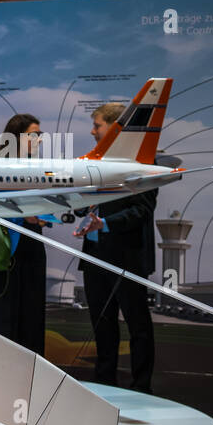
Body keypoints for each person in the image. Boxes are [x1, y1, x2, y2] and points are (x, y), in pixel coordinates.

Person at [74, 102, 156, 392]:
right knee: (102, 326)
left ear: (115, 126)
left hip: (127, 257)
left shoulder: (141, 161)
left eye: (97, 125)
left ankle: (142, 389)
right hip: (95, 256)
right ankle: (105, 387)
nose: (92, 131)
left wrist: (104, 224)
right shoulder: (92, 161)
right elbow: (84, 202)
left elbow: (141, 211)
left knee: (138, 328)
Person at [0, 112, 47, 355]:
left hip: (31, 246)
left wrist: (43, 216)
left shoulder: (40, 169)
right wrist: (21, 216)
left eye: (40, 135)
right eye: (34, 135)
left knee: (31, 321)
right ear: (16, 138)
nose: (39, 140)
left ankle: (30, 380)